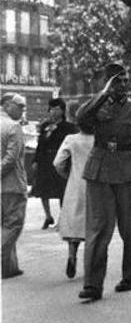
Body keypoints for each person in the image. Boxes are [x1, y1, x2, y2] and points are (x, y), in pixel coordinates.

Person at [75, 63, 131, 301]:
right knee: (98, 228)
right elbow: (80, 118)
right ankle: (93, 284)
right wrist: (102, 94)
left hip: (128, 171)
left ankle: (130, 276)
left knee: (129, 228)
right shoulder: (97, 107)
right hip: (99, 171)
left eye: (125, 81)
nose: (123, 85)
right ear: (107, 84)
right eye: (116, 81)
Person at [53, 118, 94, 279]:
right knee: (93, 225)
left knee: (74, 224)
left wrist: (66, 175)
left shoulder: (71, 139)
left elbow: (58, 162)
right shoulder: (99, 140)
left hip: (75, 184)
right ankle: (90, 263)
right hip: (95, 185)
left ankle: (72, 255)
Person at [31, 98, 77, 229]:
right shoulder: (45, 126)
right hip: (45, 161)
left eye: (57, 109)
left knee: (62, 190)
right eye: (51, 109)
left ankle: (62, 218)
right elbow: (40, 144)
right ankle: (48, 216)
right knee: (43, 189)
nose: (54, 112)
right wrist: (35, 160)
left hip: (61, 160)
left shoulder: (68, 127)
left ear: (62, 111)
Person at [1, 93, 27, 279]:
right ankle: (4, 260)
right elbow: (11, 158)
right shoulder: (13, 127)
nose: (23, 110)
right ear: (8, 105)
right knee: (13, 225)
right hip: (12, 185)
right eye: (20, 106)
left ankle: (10, 266)